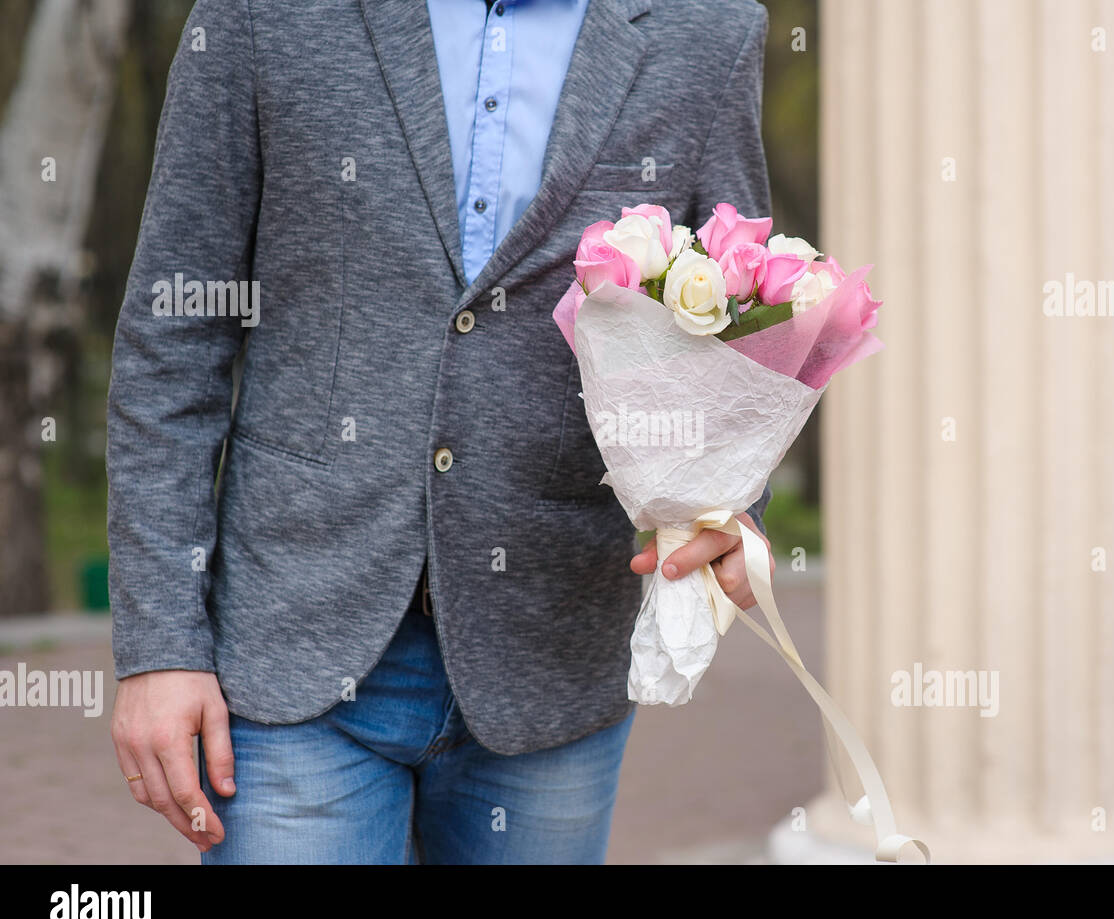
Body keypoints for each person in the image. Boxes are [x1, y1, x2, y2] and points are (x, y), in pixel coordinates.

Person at [107, 0, 773, 864]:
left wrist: (730, 501)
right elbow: (173, 338)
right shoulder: (259, 13)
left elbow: (741, 310)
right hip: (290, 646)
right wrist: (160, 646)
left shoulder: (709, 29)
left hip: (554, 658)